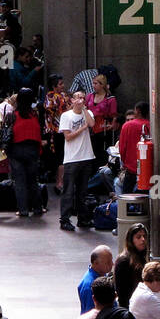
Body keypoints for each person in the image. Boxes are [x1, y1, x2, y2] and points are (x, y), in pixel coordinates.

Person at [58, 91, 97, 230]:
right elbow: (68, 137)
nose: (80, 100)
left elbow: (92, 124)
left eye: (82, 98)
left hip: (86, 156)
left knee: (83, 191)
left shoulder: (88, 113)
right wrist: (82, 128)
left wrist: (85, 109)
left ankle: (83, 218)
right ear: (72, 100)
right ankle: (65, 219)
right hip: (72, 159)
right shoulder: (66, 116)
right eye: (77, 98)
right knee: (68, 190)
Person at [8, 87, 44, 218]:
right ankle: (38, 207)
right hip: (32, 149)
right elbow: (39, 133)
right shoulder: (35, 115)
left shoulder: (12, 115)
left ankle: (23, 209)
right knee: (33, 180)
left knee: (20, 182)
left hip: (16, 149)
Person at [117, 101, 150, 193]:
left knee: (127, 197)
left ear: (137, 111)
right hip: (147, 169)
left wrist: (124, 162)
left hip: (131, 169)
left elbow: (122, 148)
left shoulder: (127, 126)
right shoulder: (150, 126)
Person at [114, 224, 150, 308]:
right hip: (130, 306)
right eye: (138, 237)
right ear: (131, 240)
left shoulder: (140, 257)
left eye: (144, 236)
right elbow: (121, 292)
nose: (143, 239)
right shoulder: (124, 261)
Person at [85, 72, 117, 161]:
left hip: (104, 130)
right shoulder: (89, 96)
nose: (93, 85)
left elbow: (114, 115)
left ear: (102, 85)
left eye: (96, 83)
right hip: (91, 129)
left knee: (103, 153)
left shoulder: (110, 98)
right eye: (93, 83)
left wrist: (112, 125)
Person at [78, 245, 115, 315]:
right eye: (108, 262)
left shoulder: (103, 274)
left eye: (111, 260)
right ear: (96, 263)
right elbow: (90, 315)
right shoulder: (89, 286)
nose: (112, 264)